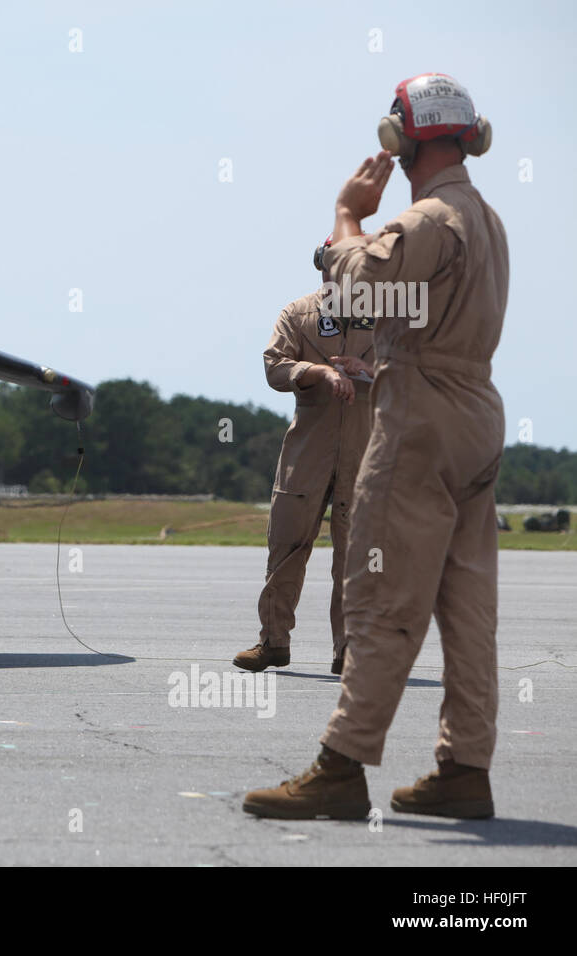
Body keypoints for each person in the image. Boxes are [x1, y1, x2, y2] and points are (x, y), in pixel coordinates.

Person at [244, 74, 507, 820]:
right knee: (466, 602)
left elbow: (356, 287)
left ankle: (341, 766)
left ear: (399, 136)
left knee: (376, 589)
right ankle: (464, 768)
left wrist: (346, 215)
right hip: (477, 414)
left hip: (420, 415)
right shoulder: (486, 218)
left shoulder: (430, 219)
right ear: (470, 134)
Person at [233, 238, 374, 676]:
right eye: (332, 266)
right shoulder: (297, 314)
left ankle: (349, 652)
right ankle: (273, 642)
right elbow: (274, 366)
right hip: (306, 452)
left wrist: (367, 372)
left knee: (357, 558)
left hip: (367, 454)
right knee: (287, 546)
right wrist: (316, 372)